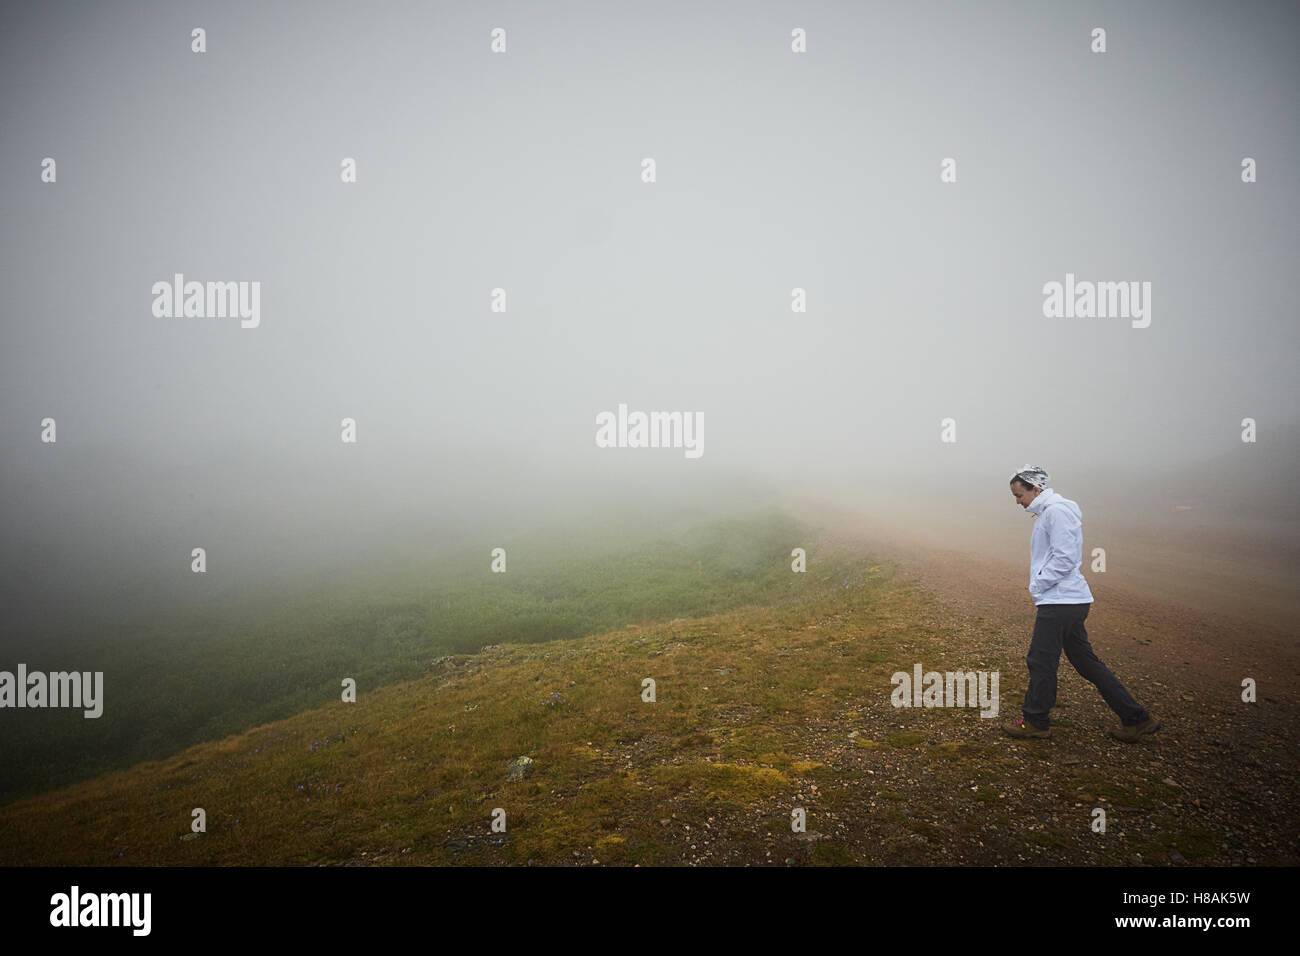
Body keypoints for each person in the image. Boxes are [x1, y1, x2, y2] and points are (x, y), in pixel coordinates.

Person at [1001, 465, 1160, 742]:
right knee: (1086, 663)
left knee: (1041, 661)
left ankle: (1035, 721)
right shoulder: (1050, 511)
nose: (1017, 501)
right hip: (1068, 599)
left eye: (1019, 495)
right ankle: (1137, 719)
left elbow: (1066, 557)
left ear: (1035, 488)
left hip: (1060, 601)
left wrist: (1038, 584)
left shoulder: (1056, 512)